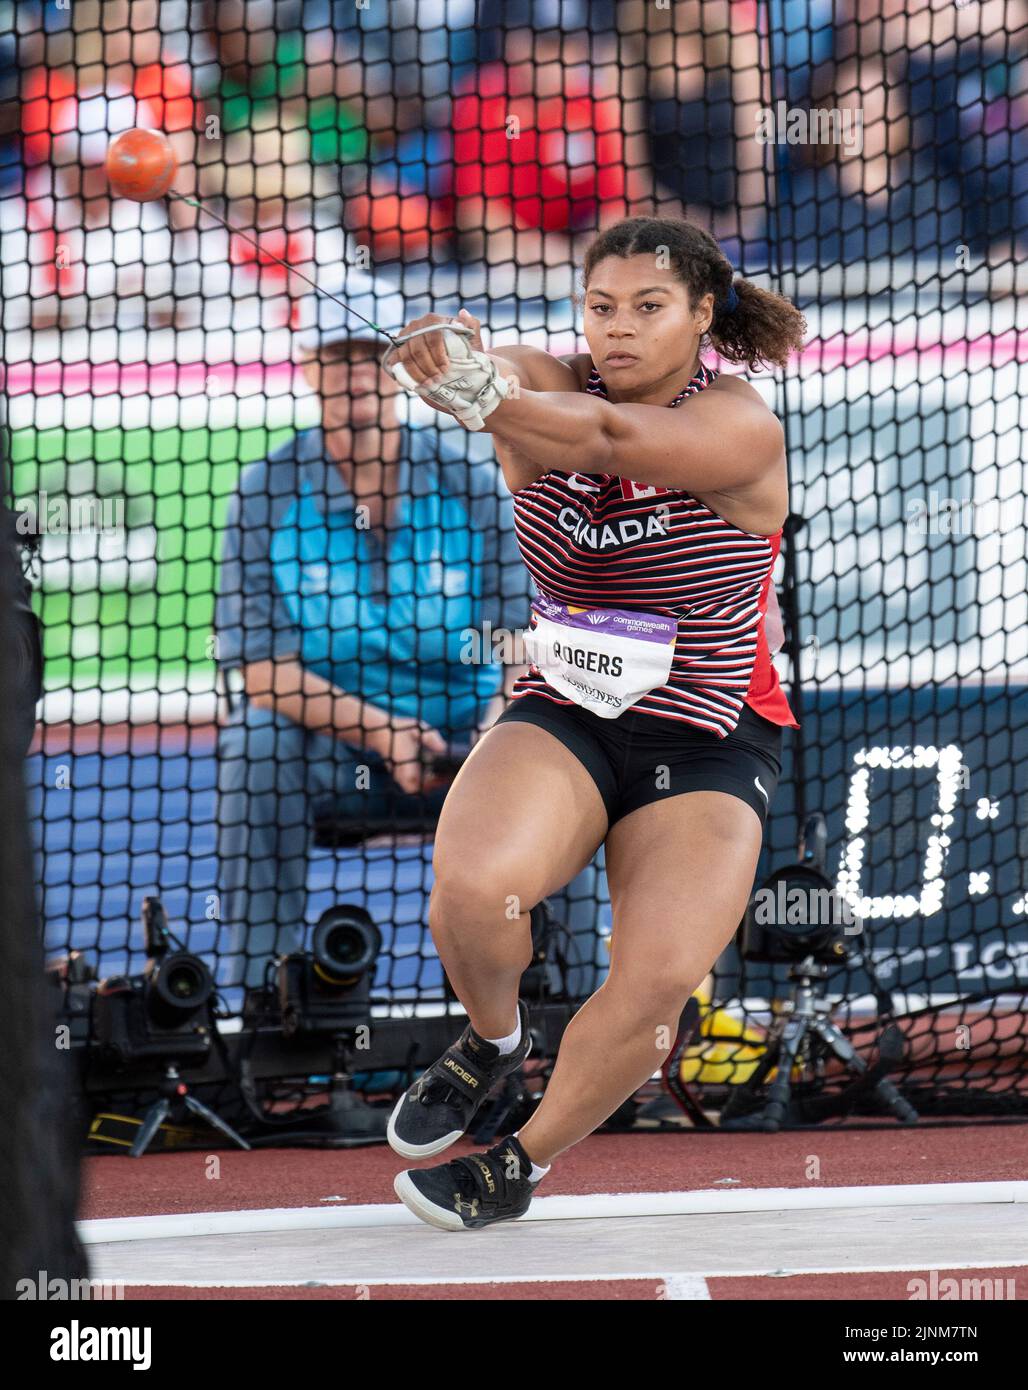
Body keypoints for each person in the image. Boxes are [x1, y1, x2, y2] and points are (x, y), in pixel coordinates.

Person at [382, 216, 805, 1230]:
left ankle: (516, 1161)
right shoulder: (549, 380)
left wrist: (497, 403)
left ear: (702, 316)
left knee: (656, 977)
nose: (617, 329)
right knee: (473, 894)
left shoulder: (739, 425)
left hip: (707, 731)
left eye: (647, 308)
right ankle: (491, 1039)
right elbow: (504, 364)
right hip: (568, 707)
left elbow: (611, 437)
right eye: (600, 307)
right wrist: (455, 355)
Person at [214, 266, 604, 997]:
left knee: (562, 739)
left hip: (472, 746)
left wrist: (500, 727)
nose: (356, 378)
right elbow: (263, 672)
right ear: (309, 370)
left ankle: (583, 1002)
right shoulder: (264, 492)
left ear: (397, 371)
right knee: (254, 742)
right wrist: (381, 732)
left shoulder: (467, 480)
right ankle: (264, 1002)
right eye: (338, 360)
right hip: (339, 753)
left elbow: (520, 639)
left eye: (370, 358)